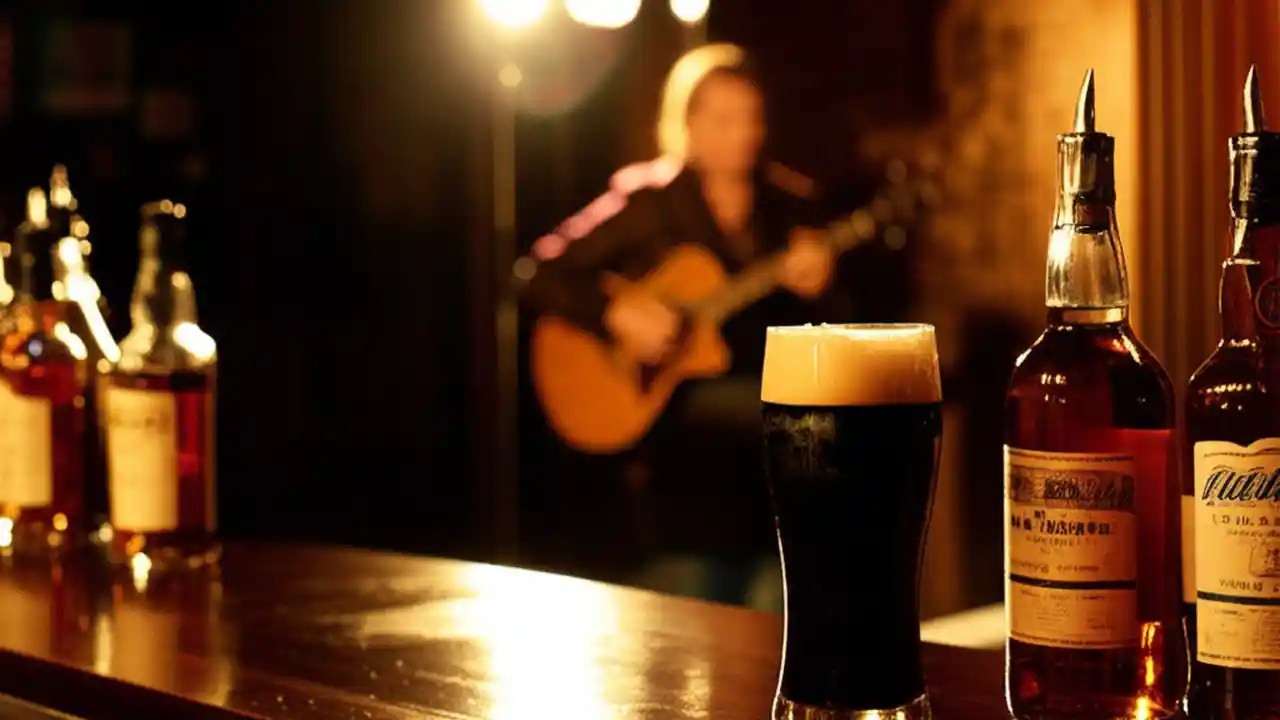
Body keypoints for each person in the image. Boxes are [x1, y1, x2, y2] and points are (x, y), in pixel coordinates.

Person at [521, 44, 835, 607]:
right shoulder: (650, 202)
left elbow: (835, 331)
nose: (743, 134)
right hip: (682, 465)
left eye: (752, 117)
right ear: (687, 123)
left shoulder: (791, 207)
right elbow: (539, 273)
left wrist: (825, 284)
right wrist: (616, 312)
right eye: (723, 119)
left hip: (770, 474)